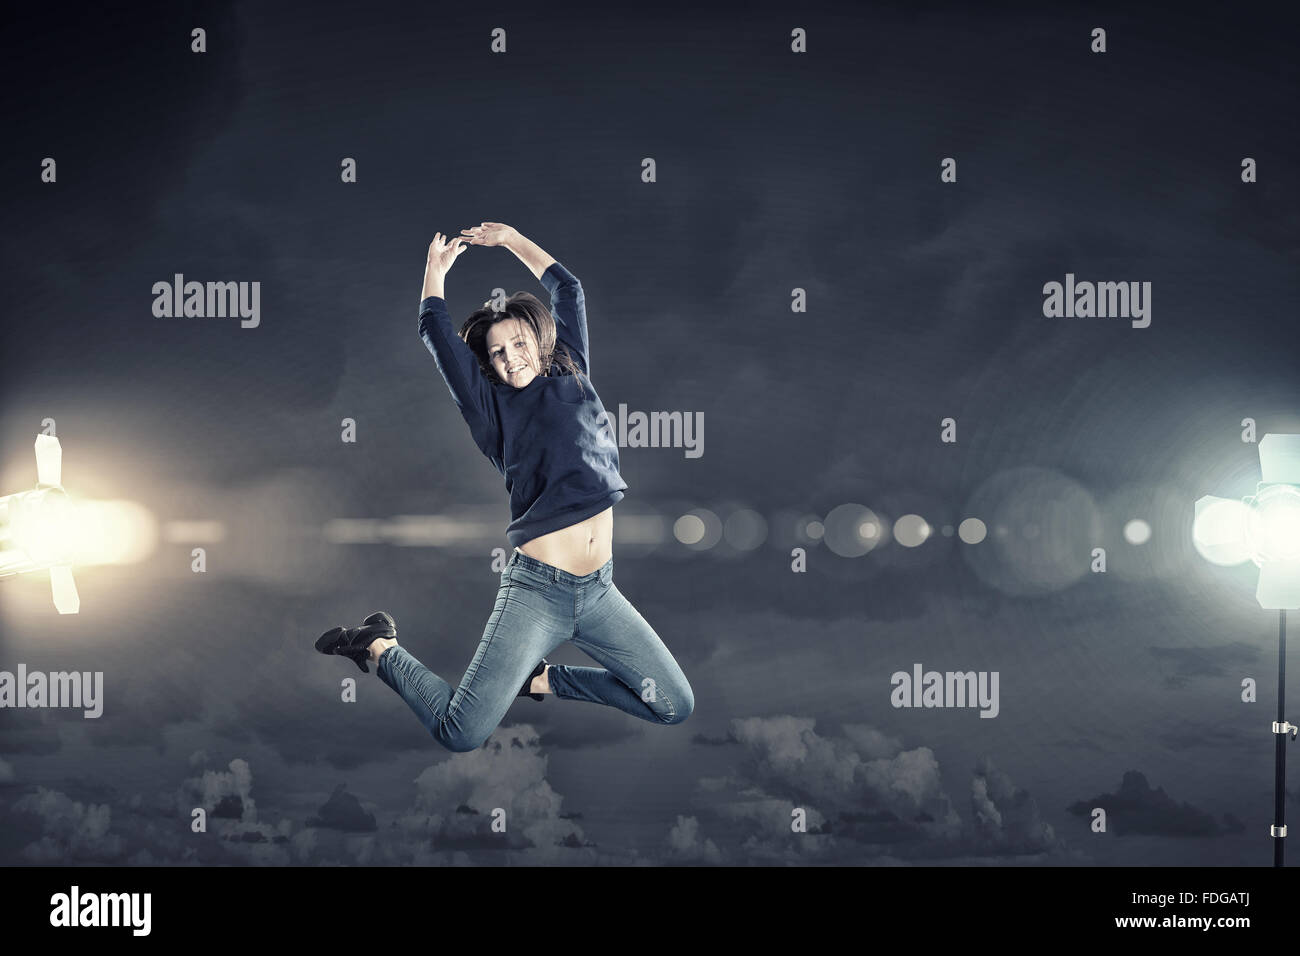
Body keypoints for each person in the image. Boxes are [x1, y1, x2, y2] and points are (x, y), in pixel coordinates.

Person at [315, 223, 694, 752]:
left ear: (539, 342)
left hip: (600, 591)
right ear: (488, 364)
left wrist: (512, 239)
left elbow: (568, 289)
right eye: (496, 352)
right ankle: (379, 647)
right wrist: (435, 273)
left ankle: (544, 680)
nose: (511, 356)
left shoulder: (573, 372)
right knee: (461, 732)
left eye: (518, 343)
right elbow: (437, 334)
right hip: (537, 592)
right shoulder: (491, 411)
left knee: (675, 703)